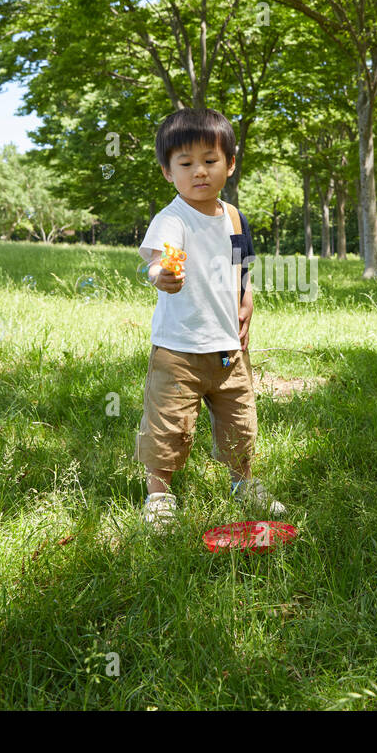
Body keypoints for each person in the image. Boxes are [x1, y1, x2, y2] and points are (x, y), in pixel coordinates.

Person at [134, 107, 283, 529]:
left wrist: (247, 296)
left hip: (228, 348)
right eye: (186, 163)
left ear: (230, 164)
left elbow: (242, 264)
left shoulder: (235, 217)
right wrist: (161, 275)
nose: (199, 171)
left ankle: (244, 483)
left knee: (240, 420)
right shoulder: (173, 219)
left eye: (210, 161)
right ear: (168, 171)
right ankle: (159, 494)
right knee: (169, 426)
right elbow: (160, 260)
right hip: (178, 350)